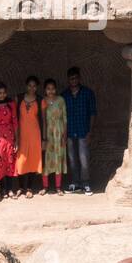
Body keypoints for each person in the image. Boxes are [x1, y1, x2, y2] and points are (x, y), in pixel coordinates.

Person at [62, 66, 97, 194]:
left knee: (84, 159)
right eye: (71, 79)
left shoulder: (88, 93)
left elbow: (93, 113)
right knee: (72, 159)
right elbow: (62, 116)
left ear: (79, 78)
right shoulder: (64, 95)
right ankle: (75, 183)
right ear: (68, 80)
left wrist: (90, 131)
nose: (74, 81)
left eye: (76, 78)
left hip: (83, 131)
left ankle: (86, 183)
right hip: (70, 132)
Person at [0, 82, 20, 200]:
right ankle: (2, 189)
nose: (2, 95)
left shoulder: (11, 103)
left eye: (4, 93)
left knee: (10, 162)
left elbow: (15, 122)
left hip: (10, 136)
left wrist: (16, 140)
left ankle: (10, 189)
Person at [14, 75, 43, 198]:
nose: (32, 88)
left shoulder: (40, 100)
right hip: (21, 134)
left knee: (32, 160)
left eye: (34, 86)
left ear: (37, 87)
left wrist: (44, 138)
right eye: (30, 85)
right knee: (21, 160)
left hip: (35, 134)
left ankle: (30, 188)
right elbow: (14, 118)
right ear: (26, 86)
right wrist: (15, 136)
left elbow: (43, 120)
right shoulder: (19, 98)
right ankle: (21, 187)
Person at [40, 78, 68, 195]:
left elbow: (65, 118)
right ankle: (45, 187)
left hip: (59, 133)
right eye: (48, 89)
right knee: (46, 160)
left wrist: (64, 135)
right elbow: (43, 120)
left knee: (58, 159)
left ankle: (58, 187)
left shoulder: (61, 100)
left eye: (52, 88)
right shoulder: (43, 101)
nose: (50, 91)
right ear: (45, 90)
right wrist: (44, 137)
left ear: (56, 89)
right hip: (48, 134)